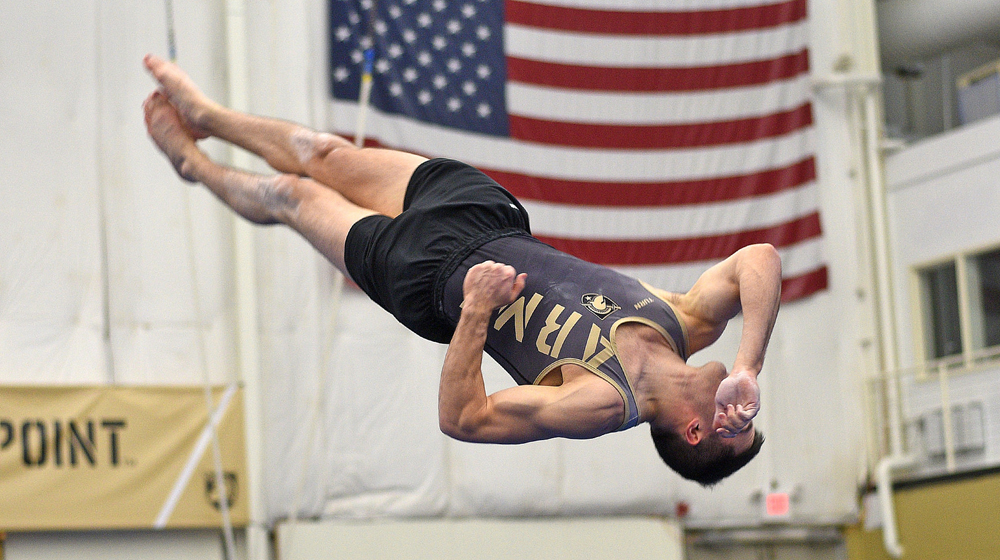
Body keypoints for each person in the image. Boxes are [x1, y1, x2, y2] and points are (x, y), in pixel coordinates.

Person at [142, 53, 779, 486]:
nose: (747, 412)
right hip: (484, 215)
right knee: (328, 153)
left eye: (737, 431)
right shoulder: (687, 323)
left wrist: (476, 309)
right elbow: (759, 261)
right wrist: (749, 363)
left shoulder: (601, 402)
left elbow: (464, 419)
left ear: (696, 430)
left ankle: (197, 167)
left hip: (429, 280)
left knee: (294, 196)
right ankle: (209, 116)